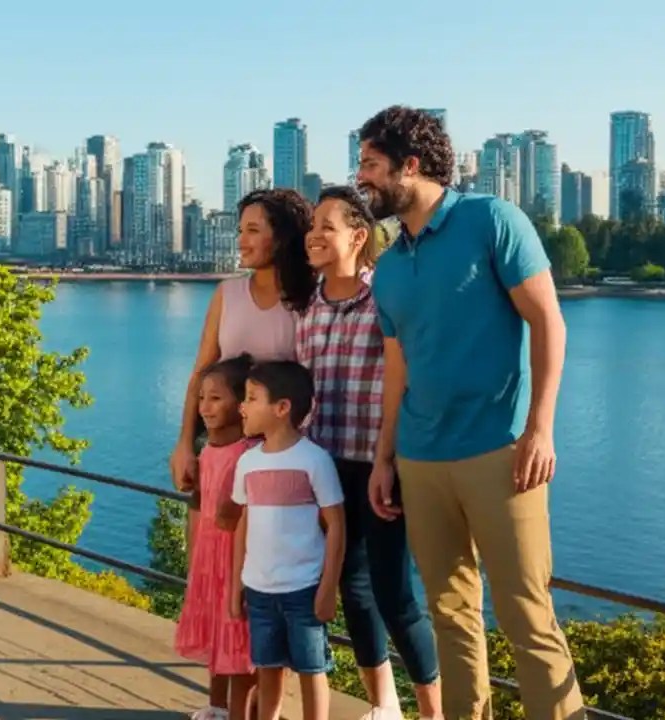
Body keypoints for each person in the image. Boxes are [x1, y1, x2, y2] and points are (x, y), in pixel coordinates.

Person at [356, 105, 586, 720]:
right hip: (421, 459)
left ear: (410, 165)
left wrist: (540, 427)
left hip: (499, 451)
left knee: (525, 614)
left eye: (371, 165)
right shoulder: (389, 266)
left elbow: (547, 320)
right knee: (450, 615)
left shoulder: (491, 220)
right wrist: (384, 457)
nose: (362, 179)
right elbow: (396, 369)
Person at [297, 185, 444, 720]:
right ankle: (385, 706)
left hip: (380, 462)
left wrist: (392, 458)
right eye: (311, 226)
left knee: (394, 593)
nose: (313, 235)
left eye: (326, 226)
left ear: (359, 236)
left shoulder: (385, 295)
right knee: (351, 588)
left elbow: (407, 379)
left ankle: (434, 711)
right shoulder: (308, 305)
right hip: (325, 464)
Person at [169, 187, 316, 712]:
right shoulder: (226, 295)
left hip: (277, 475)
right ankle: (218, 705)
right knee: (211, 582)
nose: (243, 240)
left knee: (259, 592)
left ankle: (257, 708)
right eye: (241, 230)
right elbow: (200, 372)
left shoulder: (306, 301)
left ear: (283, 238)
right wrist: (185, 442)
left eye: (254, 230)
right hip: (217, 464)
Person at [229, 361, 345, 720]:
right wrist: (236, 587)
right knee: (267, 669)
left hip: (303, 590)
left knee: (312, 670)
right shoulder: (247, 463)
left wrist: (328, 589)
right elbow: (242, 527)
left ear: (282, 408)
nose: (242, 406)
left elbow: (337, 525)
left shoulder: (314, 460)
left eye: (251, 398)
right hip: (260, 590)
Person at [175, 354, 261, 720]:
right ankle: (217, 705)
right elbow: (197, 507)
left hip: (237, 562)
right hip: (209, 562)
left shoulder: (248, 454)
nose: (205, 407)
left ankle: (245, 712)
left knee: (239, 641)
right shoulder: (207, 451)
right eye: (201, 398)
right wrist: (193, 558)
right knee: (216, 634)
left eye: (215, 398)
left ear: (241, 405)